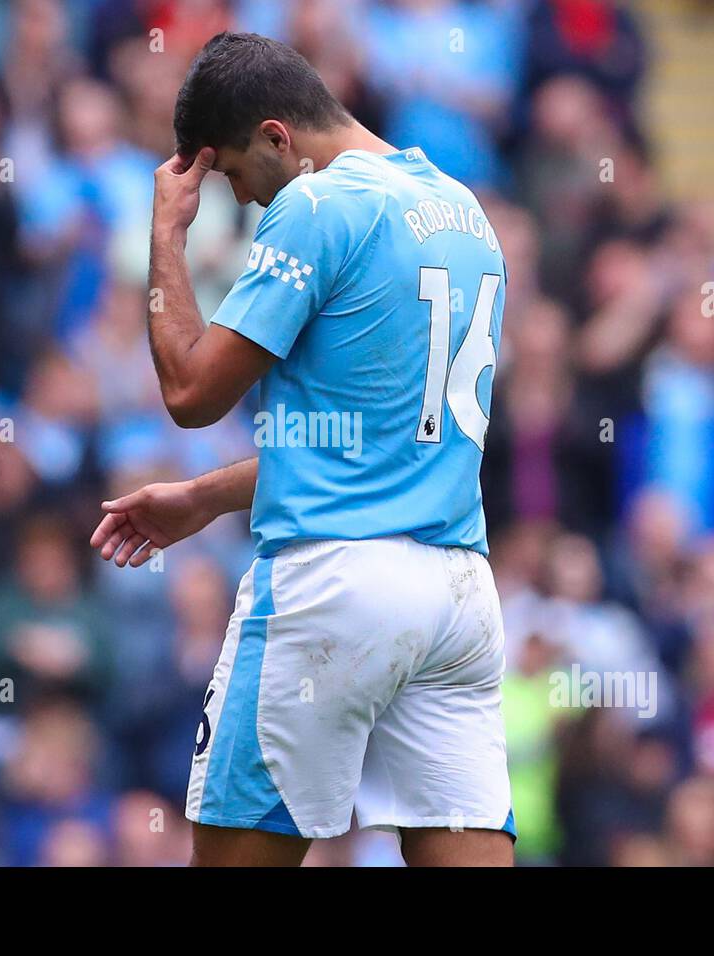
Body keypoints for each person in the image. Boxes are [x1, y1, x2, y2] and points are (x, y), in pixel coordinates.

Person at [90, 32, 513, 866]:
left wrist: (166, 239)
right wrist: (205, 496)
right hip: (458, 597)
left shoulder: (318, 206)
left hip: (331, 587)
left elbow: (189, 391)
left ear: (278, 137)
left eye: (238, 179)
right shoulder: (466, 209)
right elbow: (365, 442)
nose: (243, 204)